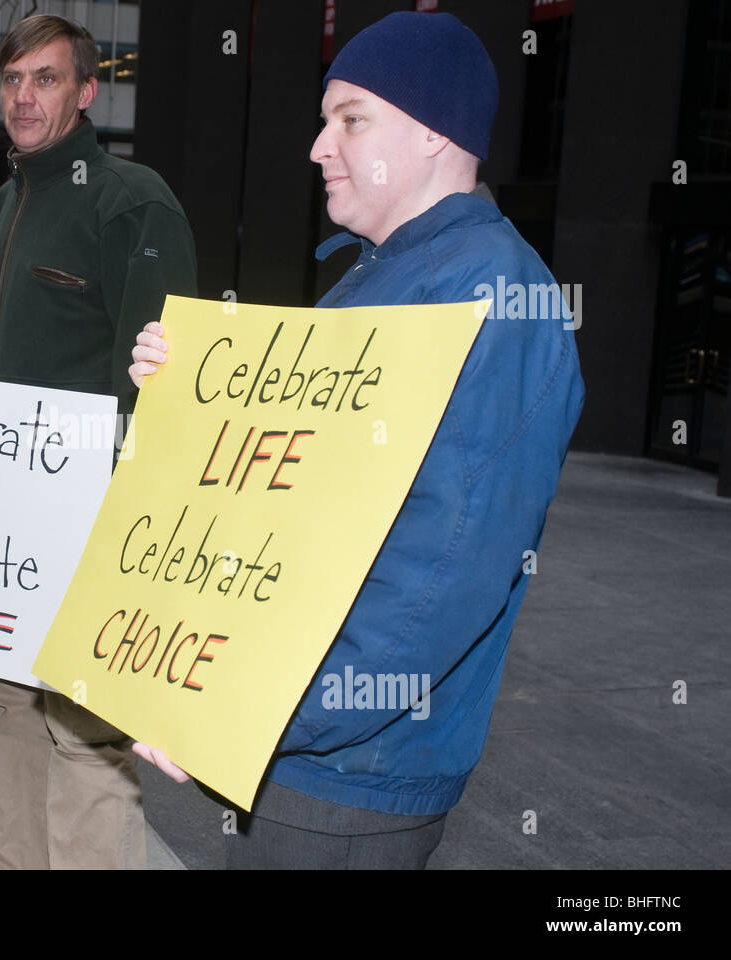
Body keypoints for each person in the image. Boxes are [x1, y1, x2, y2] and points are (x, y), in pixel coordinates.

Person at [129, 11, 585, 870]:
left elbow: (440, 574)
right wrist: (184, 395)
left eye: (351, 118)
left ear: (434, 133)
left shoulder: (493, 299)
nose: (317, 146)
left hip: (348, 773)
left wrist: (252, 710)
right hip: (310, 755)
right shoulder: (381, 276)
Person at [0, 14, 198, 868]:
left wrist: (131, 534)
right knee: (11, 711)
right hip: (2, 525)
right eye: (12, 81)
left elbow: (164, 382)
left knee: (87, 737)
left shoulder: (132, 202)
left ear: (85, 92)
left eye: (45, 79)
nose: (23, 97)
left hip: (91, 529)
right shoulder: (0, 207)